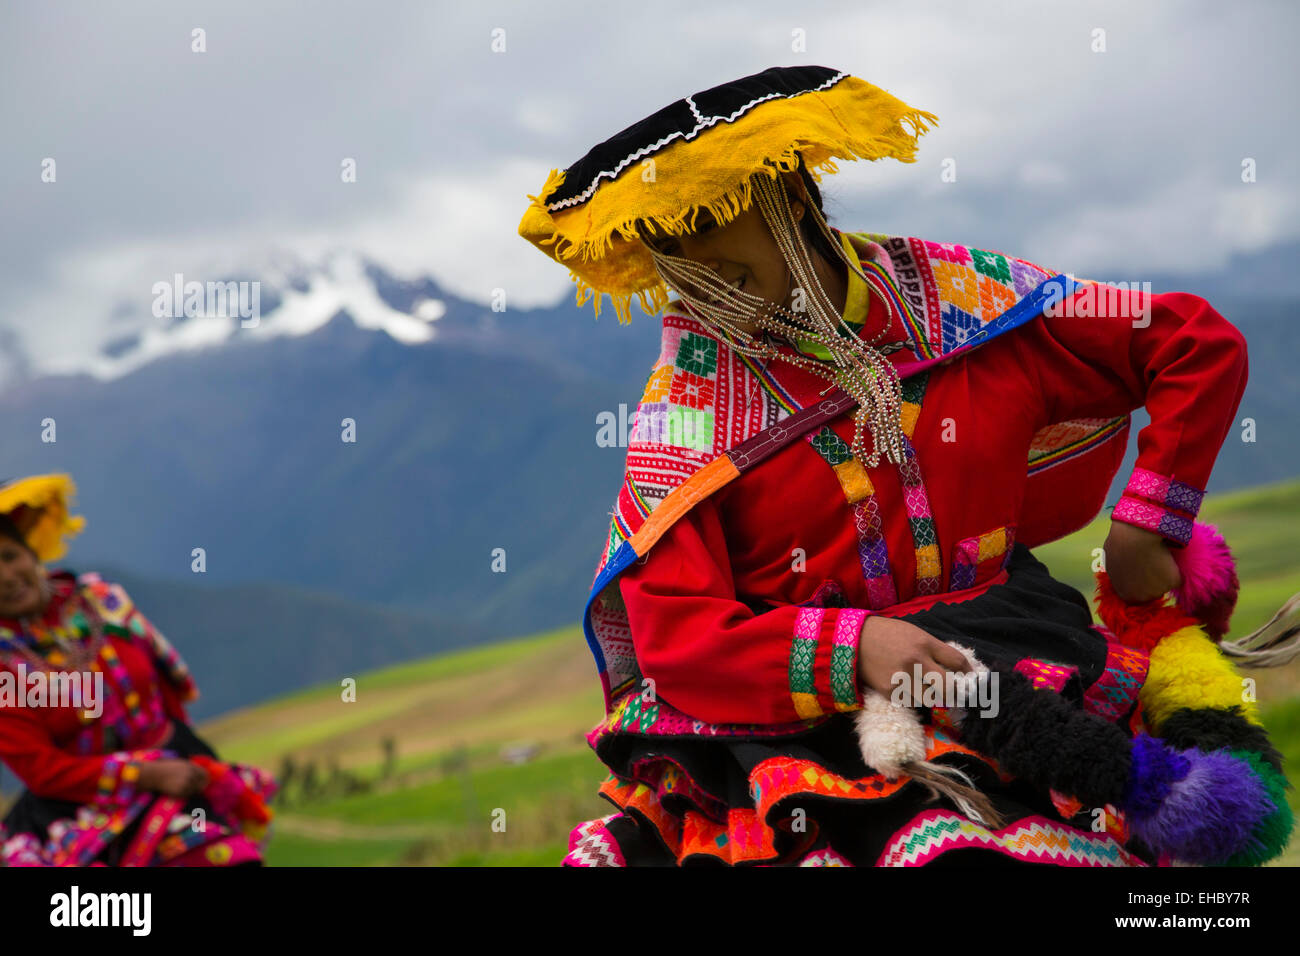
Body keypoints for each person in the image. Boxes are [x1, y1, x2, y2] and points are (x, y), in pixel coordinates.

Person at [518, 65, 1291, 866]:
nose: (688, 259)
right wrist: (851, 648)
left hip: (1024, 670)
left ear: (789, 192)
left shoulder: (972, 306)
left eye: (705, 217)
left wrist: (1147, 522)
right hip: (811, 746)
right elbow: (674, 635)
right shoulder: (684, 416)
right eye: (662, 240)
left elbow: (1190, 342)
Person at [0, 474, 275, 866]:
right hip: (87, 809)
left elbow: (165, 690)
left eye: (10, 557)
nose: (7, 577)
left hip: (178, 765)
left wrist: (190, 759)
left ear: (31, 553)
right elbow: (42, 770)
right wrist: (146, 776)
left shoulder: (103, 602)